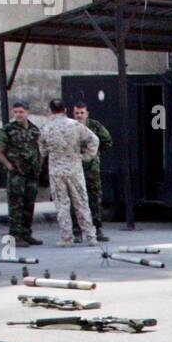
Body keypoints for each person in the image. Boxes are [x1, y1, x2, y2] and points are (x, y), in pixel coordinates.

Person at [37, 98, 98, 248]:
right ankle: (91, 236)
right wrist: (86, 157)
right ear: (65, 110)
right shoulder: (75, 125)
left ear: (51, 111)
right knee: (82, 202)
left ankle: (66, 237)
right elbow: (94, 140)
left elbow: (43, 151)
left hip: (56, 171)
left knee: (62, 204)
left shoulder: (46, 128)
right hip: (74, 168)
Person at [0, 100, 42, 247]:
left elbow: (39, 149)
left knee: (29, 204)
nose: (18, 115)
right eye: (16, 112)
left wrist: (39, 166)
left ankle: (26, 234)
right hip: (16, 175)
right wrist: (9, 165)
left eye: (21, 112)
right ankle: (15, 236)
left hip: (31, 174)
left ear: (27, 112)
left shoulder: (34, 130)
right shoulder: (7, 130)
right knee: (16, 206)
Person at [70, 103, 112, 243]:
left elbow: (107, 140)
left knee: (94, 199)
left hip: (91, 169)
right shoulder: (69, 127)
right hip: (74, 169)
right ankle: (77, 232)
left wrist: (95, 154)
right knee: (75, 200)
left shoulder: (94, 126)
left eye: (82, 113)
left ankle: (97, 229)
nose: (79, 116)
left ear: (87, 114)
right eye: (77, 113)